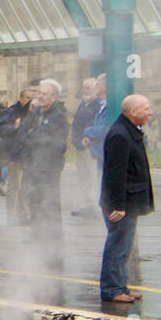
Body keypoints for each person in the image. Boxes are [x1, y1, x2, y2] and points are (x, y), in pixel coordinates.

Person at [99, 94, 154, 303]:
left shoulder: (130, 131)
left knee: (124, 247)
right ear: (133, 112)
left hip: (129, 202)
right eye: (146, 108)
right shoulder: (120, 135)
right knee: (117, 245)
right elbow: (116, 174)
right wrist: (118, 205)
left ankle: (121, 285)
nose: (150, 112)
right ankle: (111, 289)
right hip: (122, 204)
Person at [18, 79, 68, 241]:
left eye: (44, 94)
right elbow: (22, 134)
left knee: (50, 201)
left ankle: (54, 236)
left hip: (49, 167)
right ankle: (36, 233)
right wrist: (33, 134)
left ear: (54, 97)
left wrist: (34, 134)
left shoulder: (58, 116)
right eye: (39, 93)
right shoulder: (34, 114)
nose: (40, 96)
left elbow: (53, 140)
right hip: (32, 164)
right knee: (34, 200)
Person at [0, 87, 34, 224]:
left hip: (28, 155)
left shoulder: (33, 114)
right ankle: (11, 215)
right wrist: (14, 127)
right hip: (15, 154)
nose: (30, 101)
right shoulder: (12, 112)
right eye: (28, 98)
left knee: (25, 187)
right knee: (14, 186)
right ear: (21, 98)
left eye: (32, 98)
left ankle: (24, 214)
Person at [69, 77, 101, 217]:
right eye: (84, 87)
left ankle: (92, 204)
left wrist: (87, 138)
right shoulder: (83, 104)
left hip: (90, 146)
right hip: (79, 145)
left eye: (88, 88)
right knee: (82, 176)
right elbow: (75, 124)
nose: (85, 90)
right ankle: (85, 202)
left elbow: (97, 125)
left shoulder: (98, 105)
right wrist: (76, 140)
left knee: (92, 175)